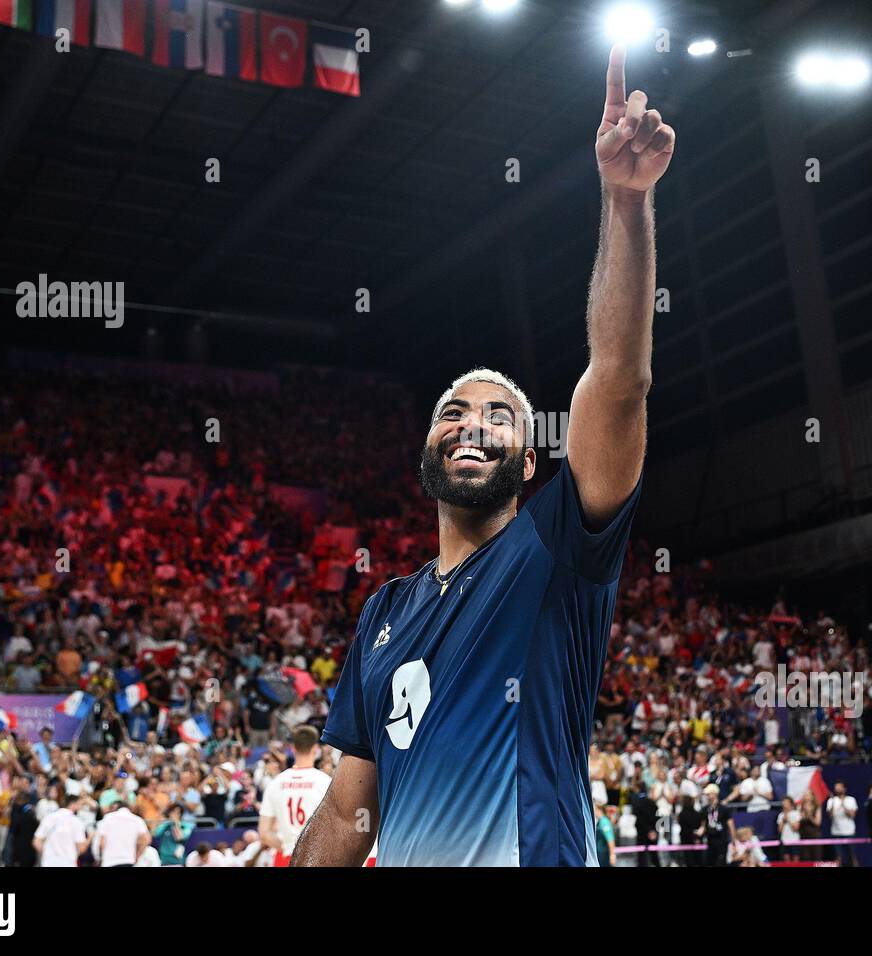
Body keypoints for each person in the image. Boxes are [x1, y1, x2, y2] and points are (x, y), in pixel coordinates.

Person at [294, 43, 675, 868]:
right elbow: (347, 808)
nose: (471, 424)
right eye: (452, 412)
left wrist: (623, 203)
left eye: (499, 415)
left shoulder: (556, 550)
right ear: (427, 446)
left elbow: (618, 379)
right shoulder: (384, 613)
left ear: (532, 460)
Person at [258, 726, 332, 867]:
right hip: (315, 858)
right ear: (315, 749)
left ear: (292, 748)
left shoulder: (277, 782)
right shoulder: (324, 782)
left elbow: (264, 833)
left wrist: (288, 845)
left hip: (286, 858)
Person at [33, 792, 89, 867]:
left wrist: (47, 854)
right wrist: (90, 838)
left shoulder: (49, 817)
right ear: (73, 804)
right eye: (80, 804)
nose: (80, 807)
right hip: (67, 863)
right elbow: (81, 848)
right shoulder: (76, 821)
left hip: (48, 863)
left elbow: (36, 842)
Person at [94, 802, 151, 867]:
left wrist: (100, 858)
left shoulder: (108, 818)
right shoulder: (137, 820)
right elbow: (146, 839)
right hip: (128, 861)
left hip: (109, 861)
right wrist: (137, 856)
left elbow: (101, 843)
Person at [826, 781, 858, 866]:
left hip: (849, 832)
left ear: (844, 789)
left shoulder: (851, 800)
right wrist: (833, 802)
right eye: (836, 787)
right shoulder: (831, 800)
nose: (837, 789)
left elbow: (852, 815)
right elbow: (830, 816)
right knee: (838, 856)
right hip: (836, 832)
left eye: (839, 787)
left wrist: (842, 804)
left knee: (853, 855)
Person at [630, 783, 660, 868]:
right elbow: (656, 817)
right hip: (653, 832)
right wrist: (652, 831)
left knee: (642, 857)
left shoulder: (637, 803)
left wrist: (648, 831)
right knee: (654, 855)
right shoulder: (652, 803)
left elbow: (640, 819)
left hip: (642, 832)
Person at [594, 800, 617, 868]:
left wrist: (612, 855)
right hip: (600, 855)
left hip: (604, 856)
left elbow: (610, 839)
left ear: (598, 809)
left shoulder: (604, 822)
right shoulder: (600, 821)